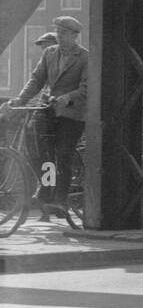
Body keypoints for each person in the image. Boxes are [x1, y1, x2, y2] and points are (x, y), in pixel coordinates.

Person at [0, 17, 89, 218]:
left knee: (62, 153)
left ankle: (61, 200)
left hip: (71, 114)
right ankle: (47, 188)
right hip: (47, 109)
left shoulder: (85, 58)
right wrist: (20, 99)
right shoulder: (50, 53)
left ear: (75, 36)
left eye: (64, 33)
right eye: (58, 32)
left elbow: (86, 88)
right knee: (40, 152)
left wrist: (68, 98)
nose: (59, 36)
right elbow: (36, 80)